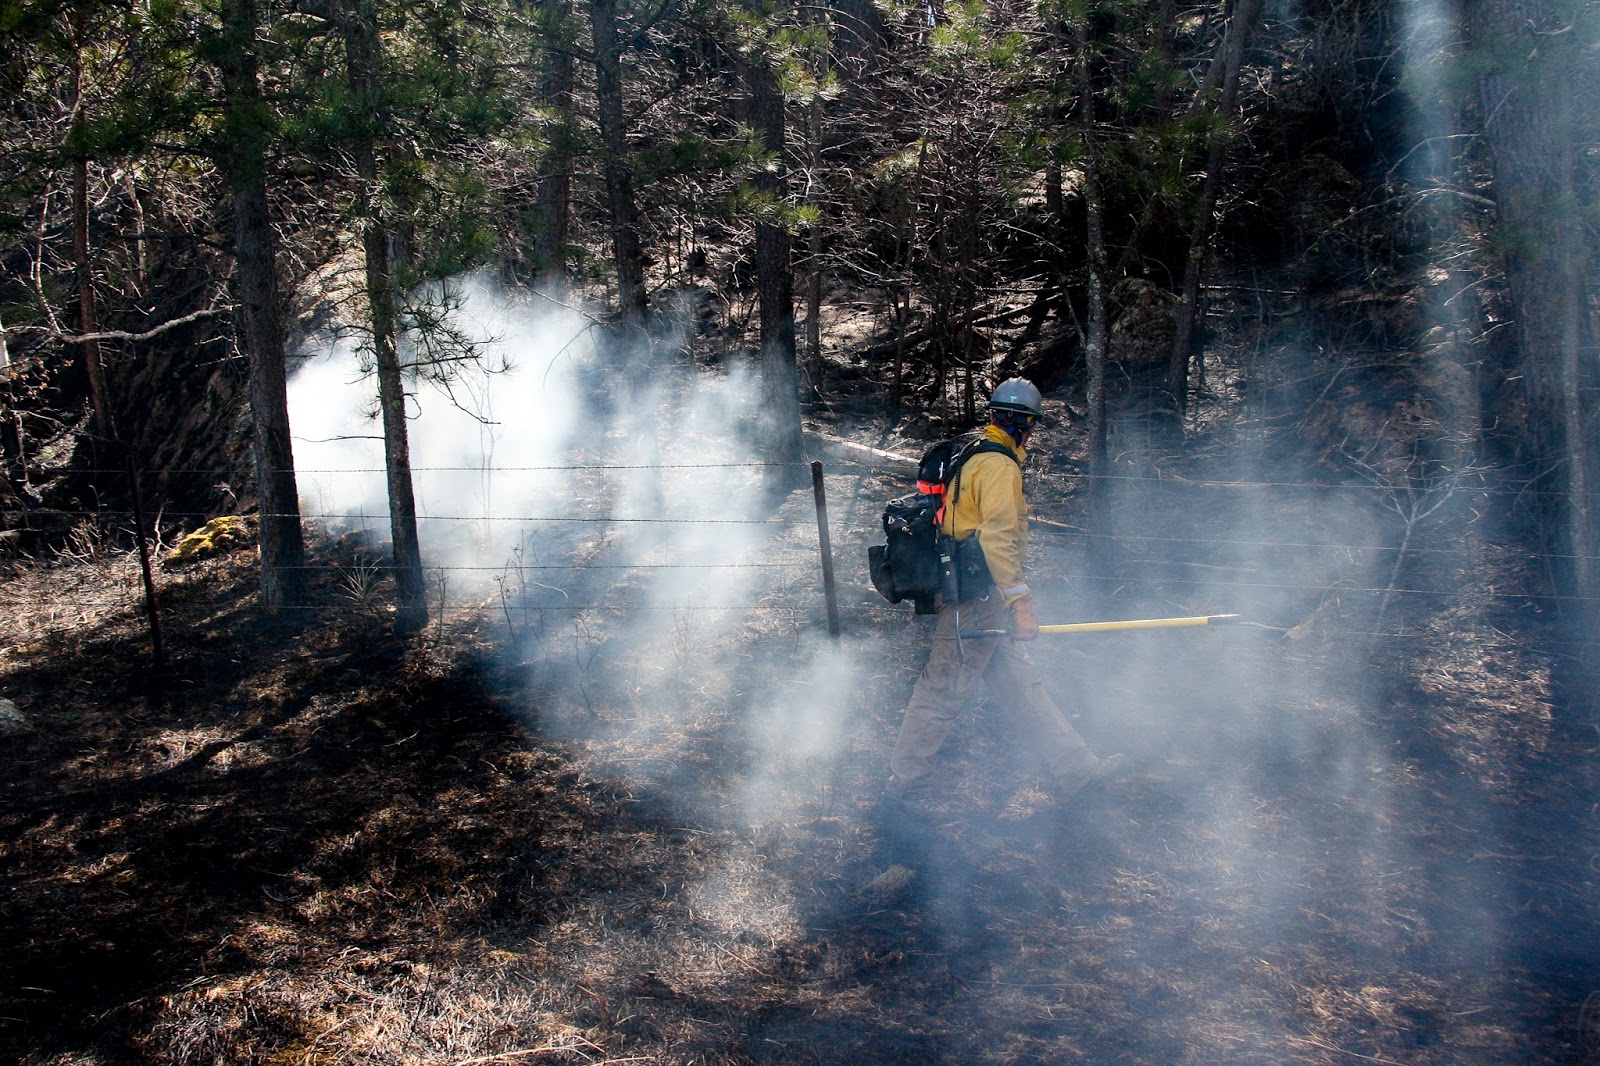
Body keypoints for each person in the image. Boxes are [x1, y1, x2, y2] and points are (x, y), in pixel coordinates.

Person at [884, 377, 1123, 815]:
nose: (1031, 433)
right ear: (1024, 424)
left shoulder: (974, 453)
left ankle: (1077, 771)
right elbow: (997, 537)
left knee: (1020, 686)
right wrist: (1022, 600)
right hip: (976, 597)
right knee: (943, 689)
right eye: (1031, 426)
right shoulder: (999, 467)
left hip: (977, 592)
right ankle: (906, 789)